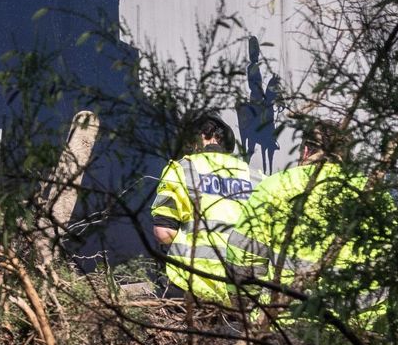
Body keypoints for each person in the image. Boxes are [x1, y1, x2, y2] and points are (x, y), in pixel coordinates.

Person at [227, 123, 375, 317]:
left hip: (285, 323)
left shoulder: (275, 187)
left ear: (306, 150)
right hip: (360, 331)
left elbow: (243, 258)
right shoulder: (374, 194)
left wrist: (246, 307)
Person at [149, 113, 258, 304]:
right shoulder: (253, 176)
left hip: (192, 283)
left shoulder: (183, 169)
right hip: (241, 289)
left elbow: (163, 232)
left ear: (200, 137)